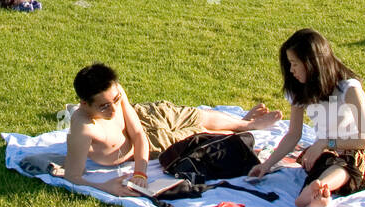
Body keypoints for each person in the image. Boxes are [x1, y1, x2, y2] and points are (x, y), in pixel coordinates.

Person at [62, 63, 283, 196]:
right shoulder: (83, 129)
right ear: (84, 104)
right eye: (103, 106)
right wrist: (104, 186)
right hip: (154, 141)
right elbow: (73, 175)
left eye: (116, 100)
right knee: (199, 136)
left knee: (195, 115)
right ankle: (238, 129)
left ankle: (246, 124)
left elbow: (137, 132)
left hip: (145, 116)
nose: (113, 108)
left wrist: (140, 171)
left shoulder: (116, 91)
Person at [248, 30, 365, 207]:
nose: (291, 70)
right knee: (325, 162)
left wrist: (327, 142)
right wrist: (266, 165)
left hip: (354, 149)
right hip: (324, 153)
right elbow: (293, 135)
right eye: (290, 64)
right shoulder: (299, 90)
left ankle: (322, 187)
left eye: (295, 64)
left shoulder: (348, 89)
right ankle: (317, 194)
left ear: (312, 63)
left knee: (347, 165)